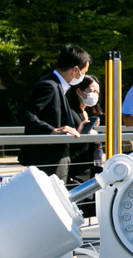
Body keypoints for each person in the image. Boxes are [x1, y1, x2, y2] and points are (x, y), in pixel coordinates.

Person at [19, 44, 90, 179]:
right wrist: (51, 130)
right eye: (84, 72)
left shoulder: (56, 85)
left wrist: (75, 128)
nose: (83, 76)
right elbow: (25, 113)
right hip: (48, 157)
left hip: (53, 155)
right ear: (75, 70)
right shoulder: (49, 85)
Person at [66, 74, 106, 218]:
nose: (94, 95)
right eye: (91, 90)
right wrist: (83, 132)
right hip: (77, 167)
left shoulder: (88, 113)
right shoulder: (70, 112)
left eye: (97, 92)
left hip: (90, 165)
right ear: (79, 91)